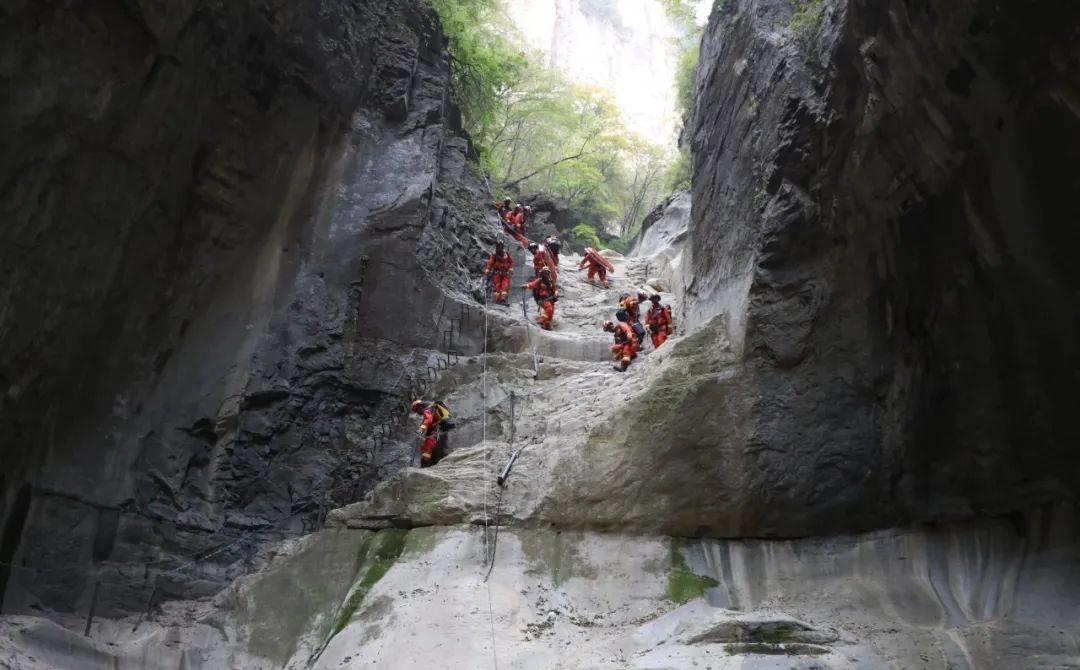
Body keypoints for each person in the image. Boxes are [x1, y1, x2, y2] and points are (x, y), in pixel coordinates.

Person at [412, 399, 452, 467]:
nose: (417, 413)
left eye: (416, 410)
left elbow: (428, 420)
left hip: (437, 432)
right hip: (442, 431)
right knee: (443, 448)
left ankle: (425, 464)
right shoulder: (432, 409)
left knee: (427, 447)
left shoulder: (427, 411)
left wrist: (421, 430)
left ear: (420, 407)